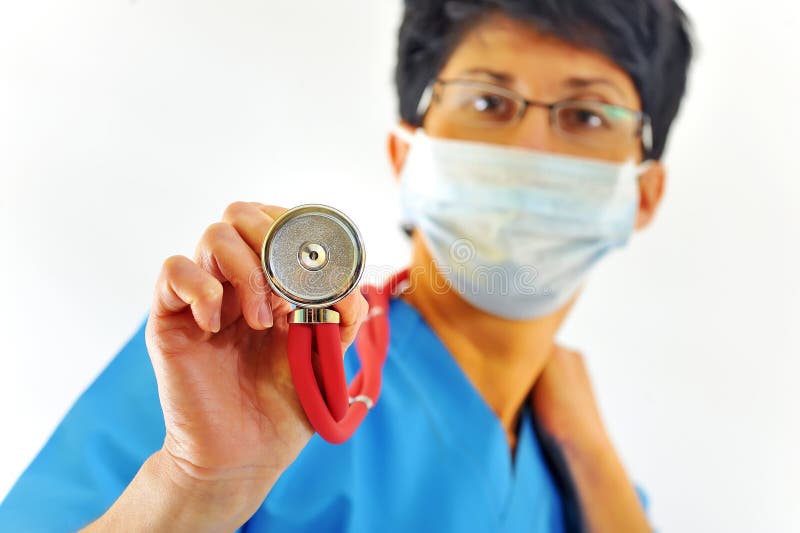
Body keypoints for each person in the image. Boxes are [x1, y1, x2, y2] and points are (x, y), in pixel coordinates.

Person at [0, 0, 693, 531]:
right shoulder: (243, 354)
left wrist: (598, 471)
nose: (534, 149)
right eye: (489, 101)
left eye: (587, 114)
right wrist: (193, 486)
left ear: (644, 194)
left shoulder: (590, 488)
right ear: (407, 155)